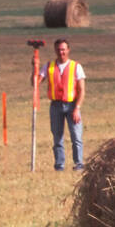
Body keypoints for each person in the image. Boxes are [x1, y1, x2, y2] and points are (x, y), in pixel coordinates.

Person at [45, 38, 86, 171]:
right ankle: (59, 164)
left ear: (68, 50)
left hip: (72, 105)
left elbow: (81, 90)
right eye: (58, 49)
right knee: (57, 137)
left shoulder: (76, 67)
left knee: (76, 136)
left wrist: (77, 108)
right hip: (55, 106)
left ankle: (79, 163)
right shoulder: (49, 66)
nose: (60, 52)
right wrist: (35, 67)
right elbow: (35, 82)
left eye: (63, 49)